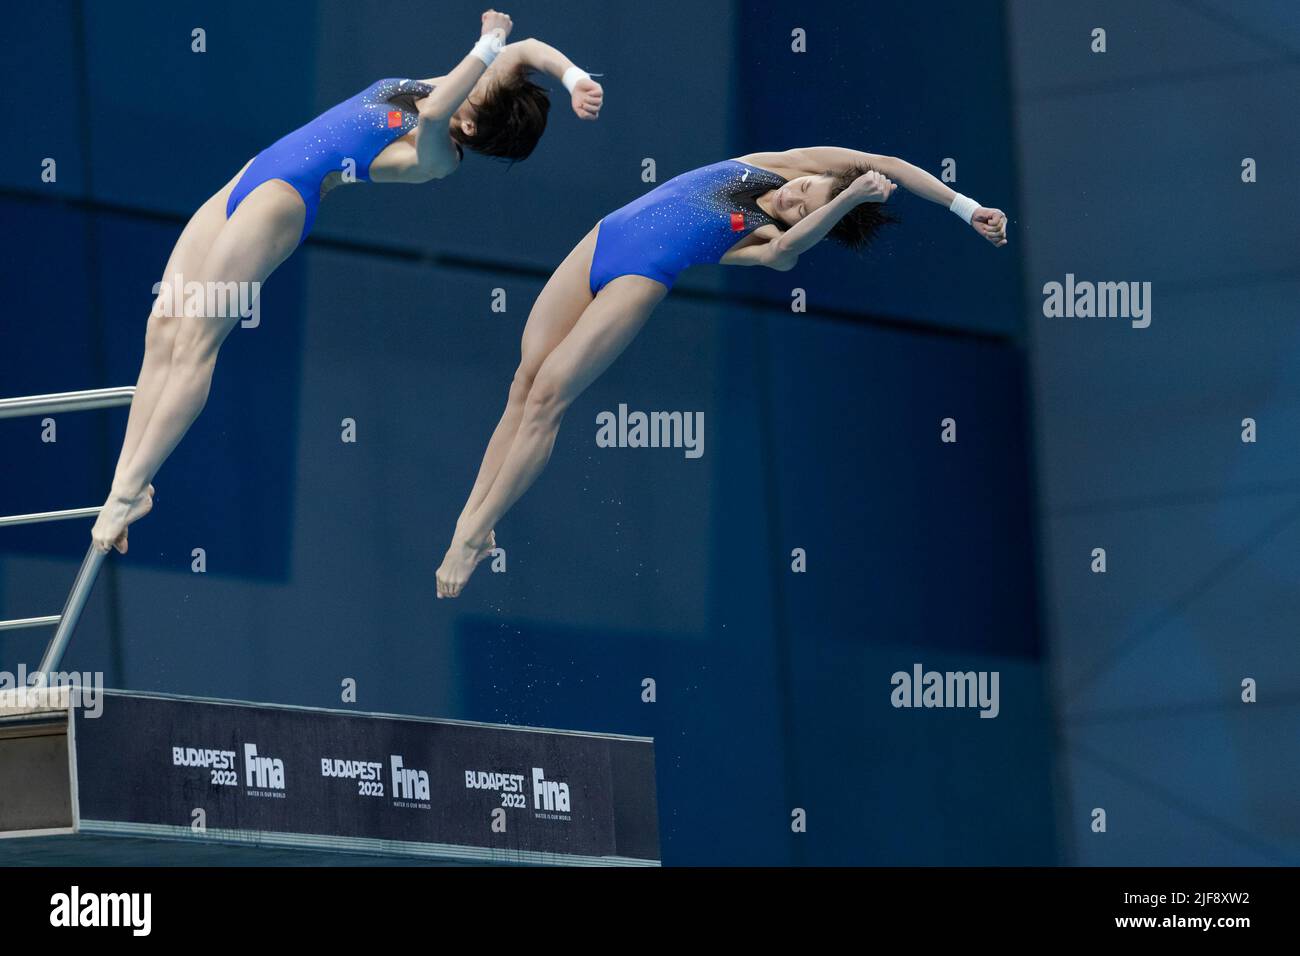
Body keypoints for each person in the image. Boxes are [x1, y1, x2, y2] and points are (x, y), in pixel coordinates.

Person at [91, 9, 604, 554]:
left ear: (472, 126)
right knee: (163, 325)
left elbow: (439, 110)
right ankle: (126, 485)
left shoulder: (440, 154)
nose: (482, 71)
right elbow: (527, 51)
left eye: (482, 81)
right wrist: (575, 79)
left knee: (195, 340)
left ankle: (128, 492)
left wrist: (486, 44)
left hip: (282, 200)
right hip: (252, 175)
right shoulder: (444, 86)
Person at [435, 147, 1008, 597]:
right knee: (523, 384)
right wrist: (966, 207)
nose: (793, 198)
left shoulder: (770, 237)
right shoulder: (783, 165)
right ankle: (471, 524)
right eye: (805, 190)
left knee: (548, 399)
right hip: (603, 238)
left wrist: (844, 201)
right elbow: (889, 165)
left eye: (804, 208)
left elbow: (789, 248)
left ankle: (473, 536)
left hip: (638, 278)